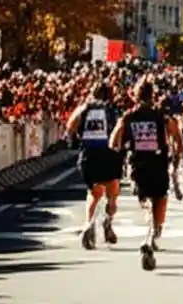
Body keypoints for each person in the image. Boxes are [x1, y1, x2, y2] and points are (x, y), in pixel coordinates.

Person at [110, 77, 183, 271]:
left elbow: (113, 141)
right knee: (160, 199)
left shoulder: (128, 116)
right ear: (153, 95)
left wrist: (122, 149)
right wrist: (177, 151)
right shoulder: (160, 115)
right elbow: (176, 134)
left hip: (138, 164)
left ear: (135, 95)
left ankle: (151, 231)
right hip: (158, 163)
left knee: (146, 202)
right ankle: (152, 235)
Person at [66, 83, 121, 249]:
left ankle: (88, 223)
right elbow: (118, 130)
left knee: (94, 192)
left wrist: (77, 138)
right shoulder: (112, 109)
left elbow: (70, 126)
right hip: (108, 154)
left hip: (88, 155)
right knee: (112, 192)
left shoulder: (84, 108)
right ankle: (108, 221)